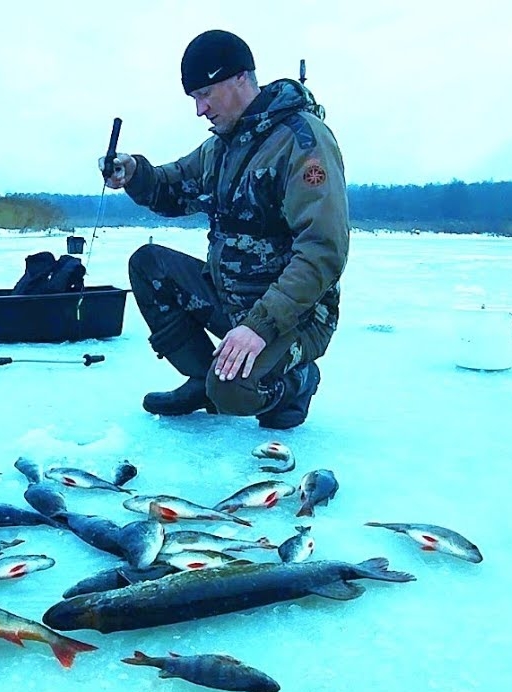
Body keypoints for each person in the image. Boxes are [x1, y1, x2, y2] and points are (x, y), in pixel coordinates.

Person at [100, 29, 350, 430]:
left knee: (232, 393)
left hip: (295, 316)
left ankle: (296, 383)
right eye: (194, 99)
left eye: (205, 94)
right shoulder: (221, 146)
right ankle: (203, 377)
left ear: (239, 79)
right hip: (232, 300)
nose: (199, 110)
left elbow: (323, 251)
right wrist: (133, 173)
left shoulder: (302, 141)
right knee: (149, 265)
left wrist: (259, 325)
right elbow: (172, 187)